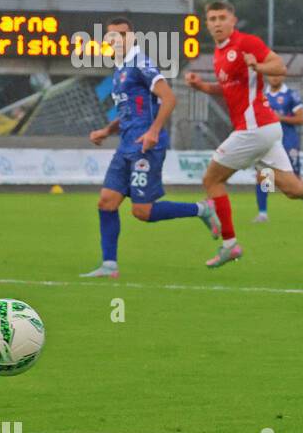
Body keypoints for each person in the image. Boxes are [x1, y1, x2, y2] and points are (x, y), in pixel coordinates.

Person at [185, 1, 303, 269]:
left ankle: (230, 245)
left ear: (233, 20)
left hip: (254, 128)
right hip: (264, 130)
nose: (217, 23)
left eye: (222, 18)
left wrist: (259, 66)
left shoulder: (246, 43)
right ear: (206, 24)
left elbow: (280, 67)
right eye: (212, 19)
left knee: (211, 179)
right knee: (293, 189)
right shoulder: (221, 54)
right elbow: (230, 89)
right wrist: (203, 87)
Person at [80, 16, 219, 278]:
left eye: (121, 35)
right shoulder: (120, 69)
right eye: (111, 36)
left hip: (146, 146)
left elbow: (169, 98)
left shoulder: (140, 63)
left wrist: (153, 131)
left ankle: (202, 209)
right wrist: (107, 131)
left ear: (131, 37)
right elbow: (130, 113)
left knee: (142, 212)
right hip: (125, 145)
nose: (116, 40)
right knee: (106, 202)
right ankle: (109, 266)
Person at [254, 78, 303, 224]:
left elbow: (302, 119)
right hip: (269, 142)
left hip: (288, 142)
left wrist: (281, 118)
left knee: (295, 182)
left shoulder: (291, 95)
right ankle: (263, 213)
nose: (275, 78)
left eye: (277, 74)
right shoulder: (262, 96)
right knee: (263, 176)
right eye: (272, 75)